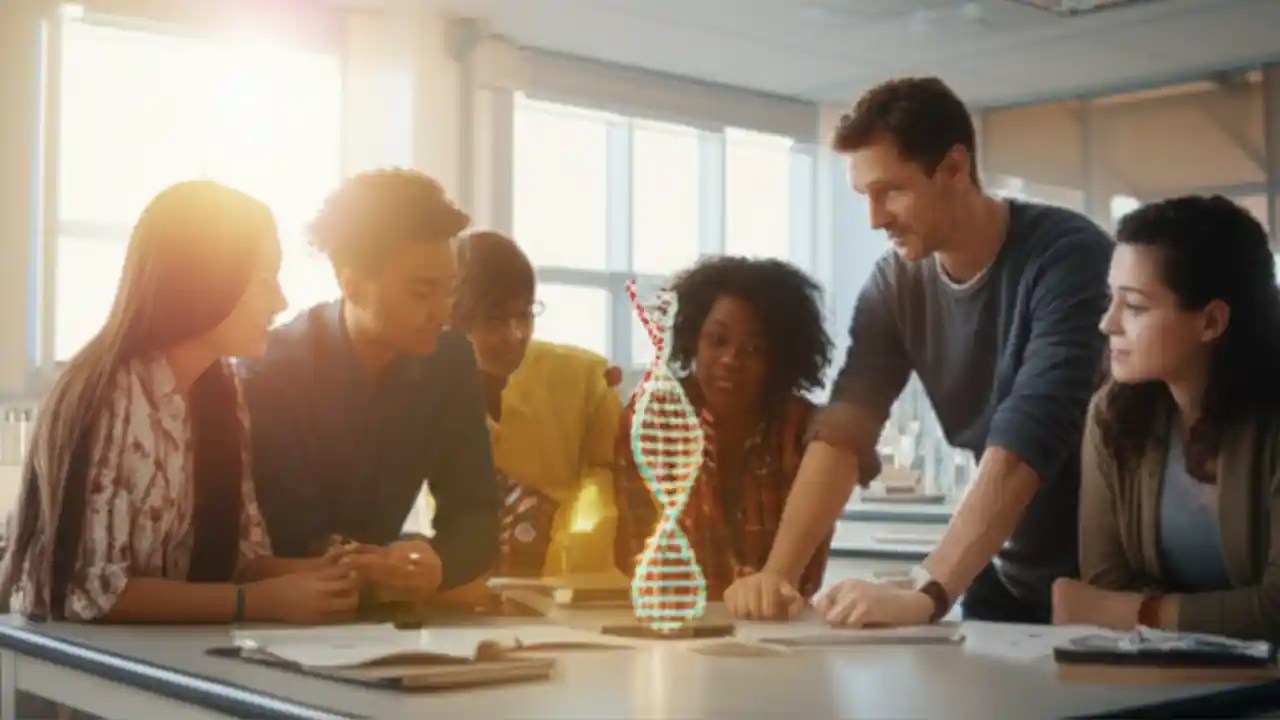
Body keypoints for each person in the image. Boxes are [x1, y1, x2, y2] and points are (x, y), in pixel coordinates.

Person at [726, 76, 1114, 625]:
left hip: (1106, 585)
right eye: (865, 196)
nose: (875, 218)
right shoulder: (896, 285)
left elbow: (1031, 431)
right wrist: (778, 576)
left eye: (892, 191)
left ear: (954, 169)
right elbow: (843, 432)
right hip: (1004, 572)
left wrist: (929, 590)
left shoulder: (1068, 256)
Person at [0, 181, 359, 623]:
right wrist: (255, 603)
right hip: (56, 666)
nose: (280, 300)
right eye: (265, 279)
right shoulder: (109, 392)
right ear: (207, 280)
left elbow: (241, 558)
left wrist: (337, 575)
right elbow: (90, 591)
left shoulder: (220, 390)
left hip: (157, 653)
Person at [239, 169, 497, 608]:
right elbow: (293, 534)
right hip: (284, 613)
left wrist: (439, 563)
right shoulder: (273, 372)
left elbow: (477, 516)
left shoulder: (450, 363)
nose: (443, 311)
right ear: (352, 283)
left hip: (387, 618)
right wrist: (385, 566)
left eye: (450, 290)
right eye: (422, 291)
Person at [1052, 196, 1280, 640]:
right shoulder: (1113, 414)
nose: (1107, 323)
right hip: (1164, 683)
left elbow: (1276, 610)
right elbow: (1105, 583)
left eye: (1134, 307)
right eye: (1110, 300)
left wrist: (1137, 611)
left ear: (1211, 322)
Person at [614, 257, 834, 600]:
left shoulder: (804, 431)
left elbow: (802, 573)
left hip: (777, 629)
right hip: (672, 627)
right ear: (692, 340)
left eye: (753, 349)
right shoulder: (654, 418)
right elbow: (636, 547)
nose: (731, 360)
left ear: (777, 359)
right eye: (717, 341)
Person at [452, 231, 623, 579]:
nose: (515, 334)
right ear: (454, 317)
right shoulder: (421, 387)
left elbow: (612, 481)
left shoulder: (585, 377)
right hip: (464, 585)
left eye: (526, 314)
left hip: (574, 582)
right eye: (496, 319)